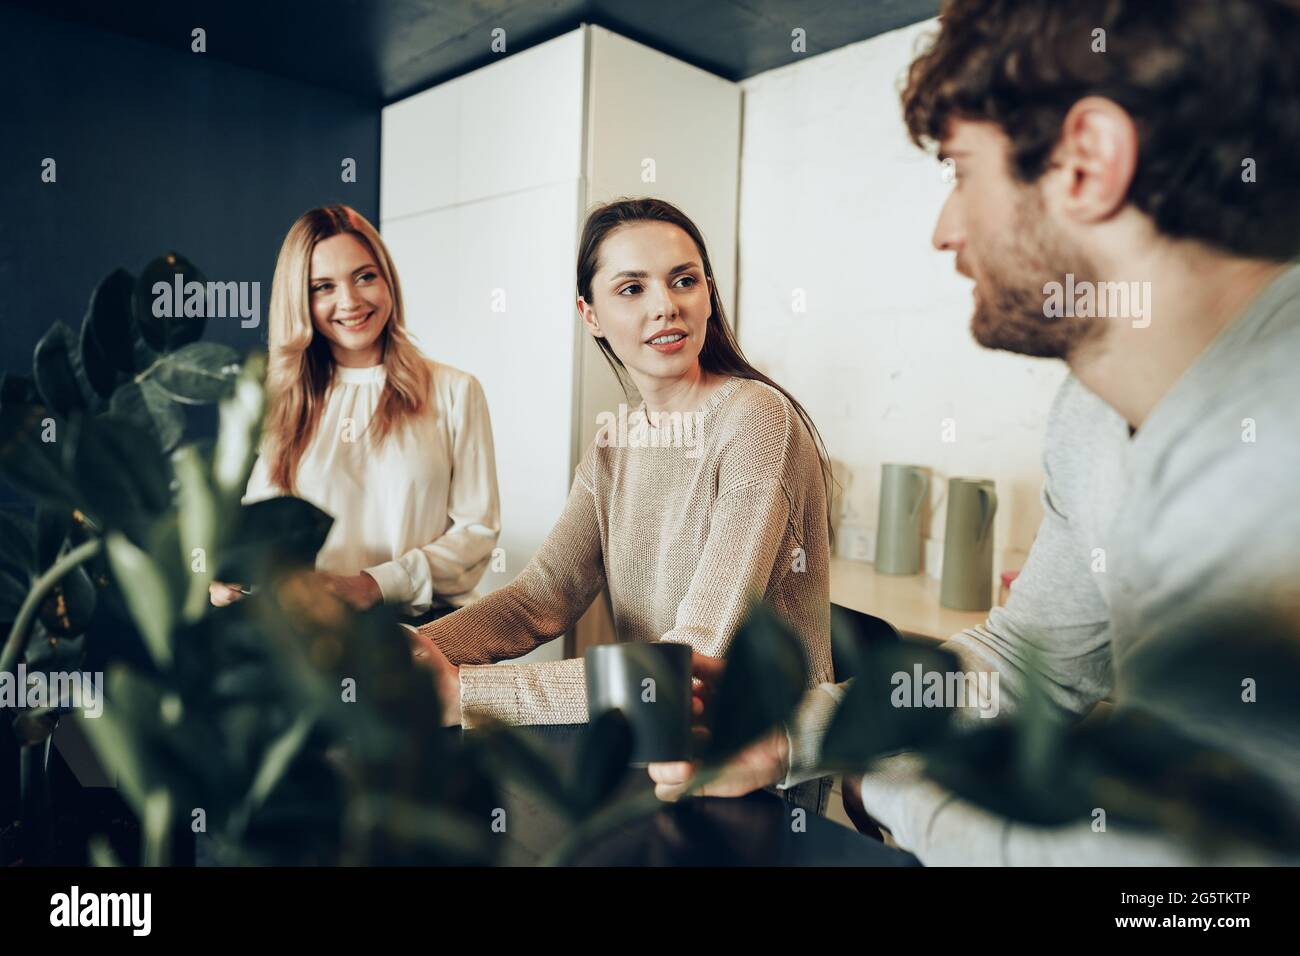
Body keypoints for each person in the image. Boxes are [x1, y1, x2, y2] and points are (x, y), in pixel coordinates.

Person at [649, 0, 1300, 864]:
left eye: (961, 171)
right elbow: (1032, 662)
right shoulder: (1093, 414)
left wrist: (874, 784)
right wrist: (794, 732)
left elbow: (1186, 876)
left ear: (1089, 163)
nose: (944, 231)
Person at [407, 197, 837, 811]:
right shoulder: (615, 442)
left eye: (684, 280)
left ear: (708, 296)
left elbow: (684, 664)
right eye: (631, 288)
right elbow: (541, 597)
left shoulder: (756, 420)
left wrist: (464, 695)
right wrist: (424, 653)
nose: (666, 304)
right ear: (591, 314)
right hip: (649, 750)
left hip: (748, 773)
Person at [210, 205, 501, 624]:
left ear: (388, 280)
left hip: (422, 638)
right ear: (300, 300)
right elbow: (251, 528)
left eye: (364, 276)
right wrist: (226, 579)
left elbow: (476, 536)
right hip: (306, 638)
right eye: (323, 287)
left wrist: (374, 584)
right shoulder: (273, 398)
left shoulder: (456, 391)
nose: (349, 302)